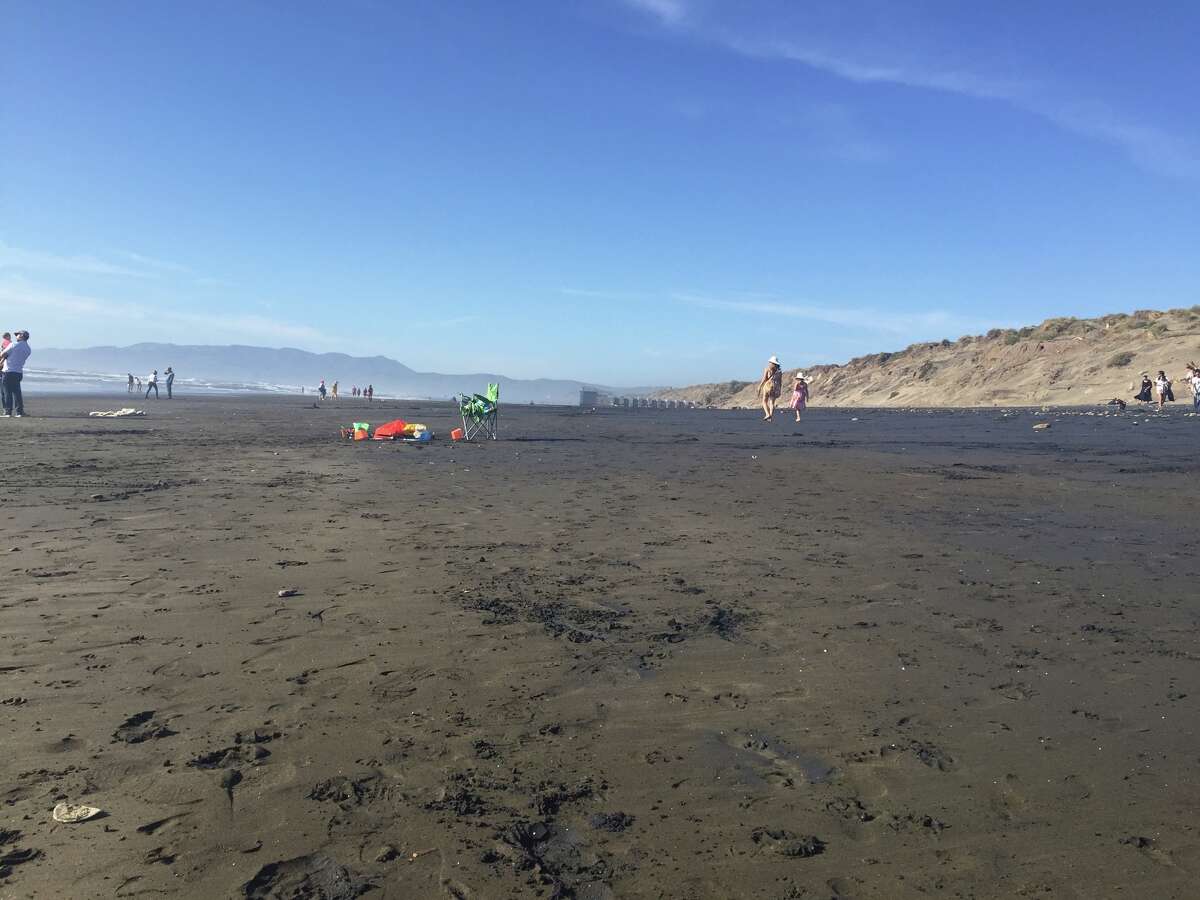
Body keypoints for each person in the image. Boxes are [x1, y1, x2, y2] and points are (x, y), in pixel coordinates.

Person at [0, 330, 31, 418]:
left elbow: (2, 354)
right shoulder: (28, 349)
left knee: (7, 392)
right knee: (17, 392)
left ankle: (8, 412)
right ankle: (19, 412)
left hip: (8, 371)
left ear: (21, 336)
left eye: (17, 335)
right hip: (18, 372)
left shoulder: (13, 344)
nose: (16, 336)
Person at [758, 356, 783, 421]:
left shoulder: (767, 369)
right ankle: (771, 417)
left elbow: (764, 379)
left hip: (767, 386)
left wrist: (760, 386)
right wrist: (779, 388)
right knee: (772, 402)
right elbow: (780, 381)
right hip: (775, 386)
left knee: (764, 401)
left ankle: (767, 414)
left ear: (771, 362)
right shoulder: (779, 371)